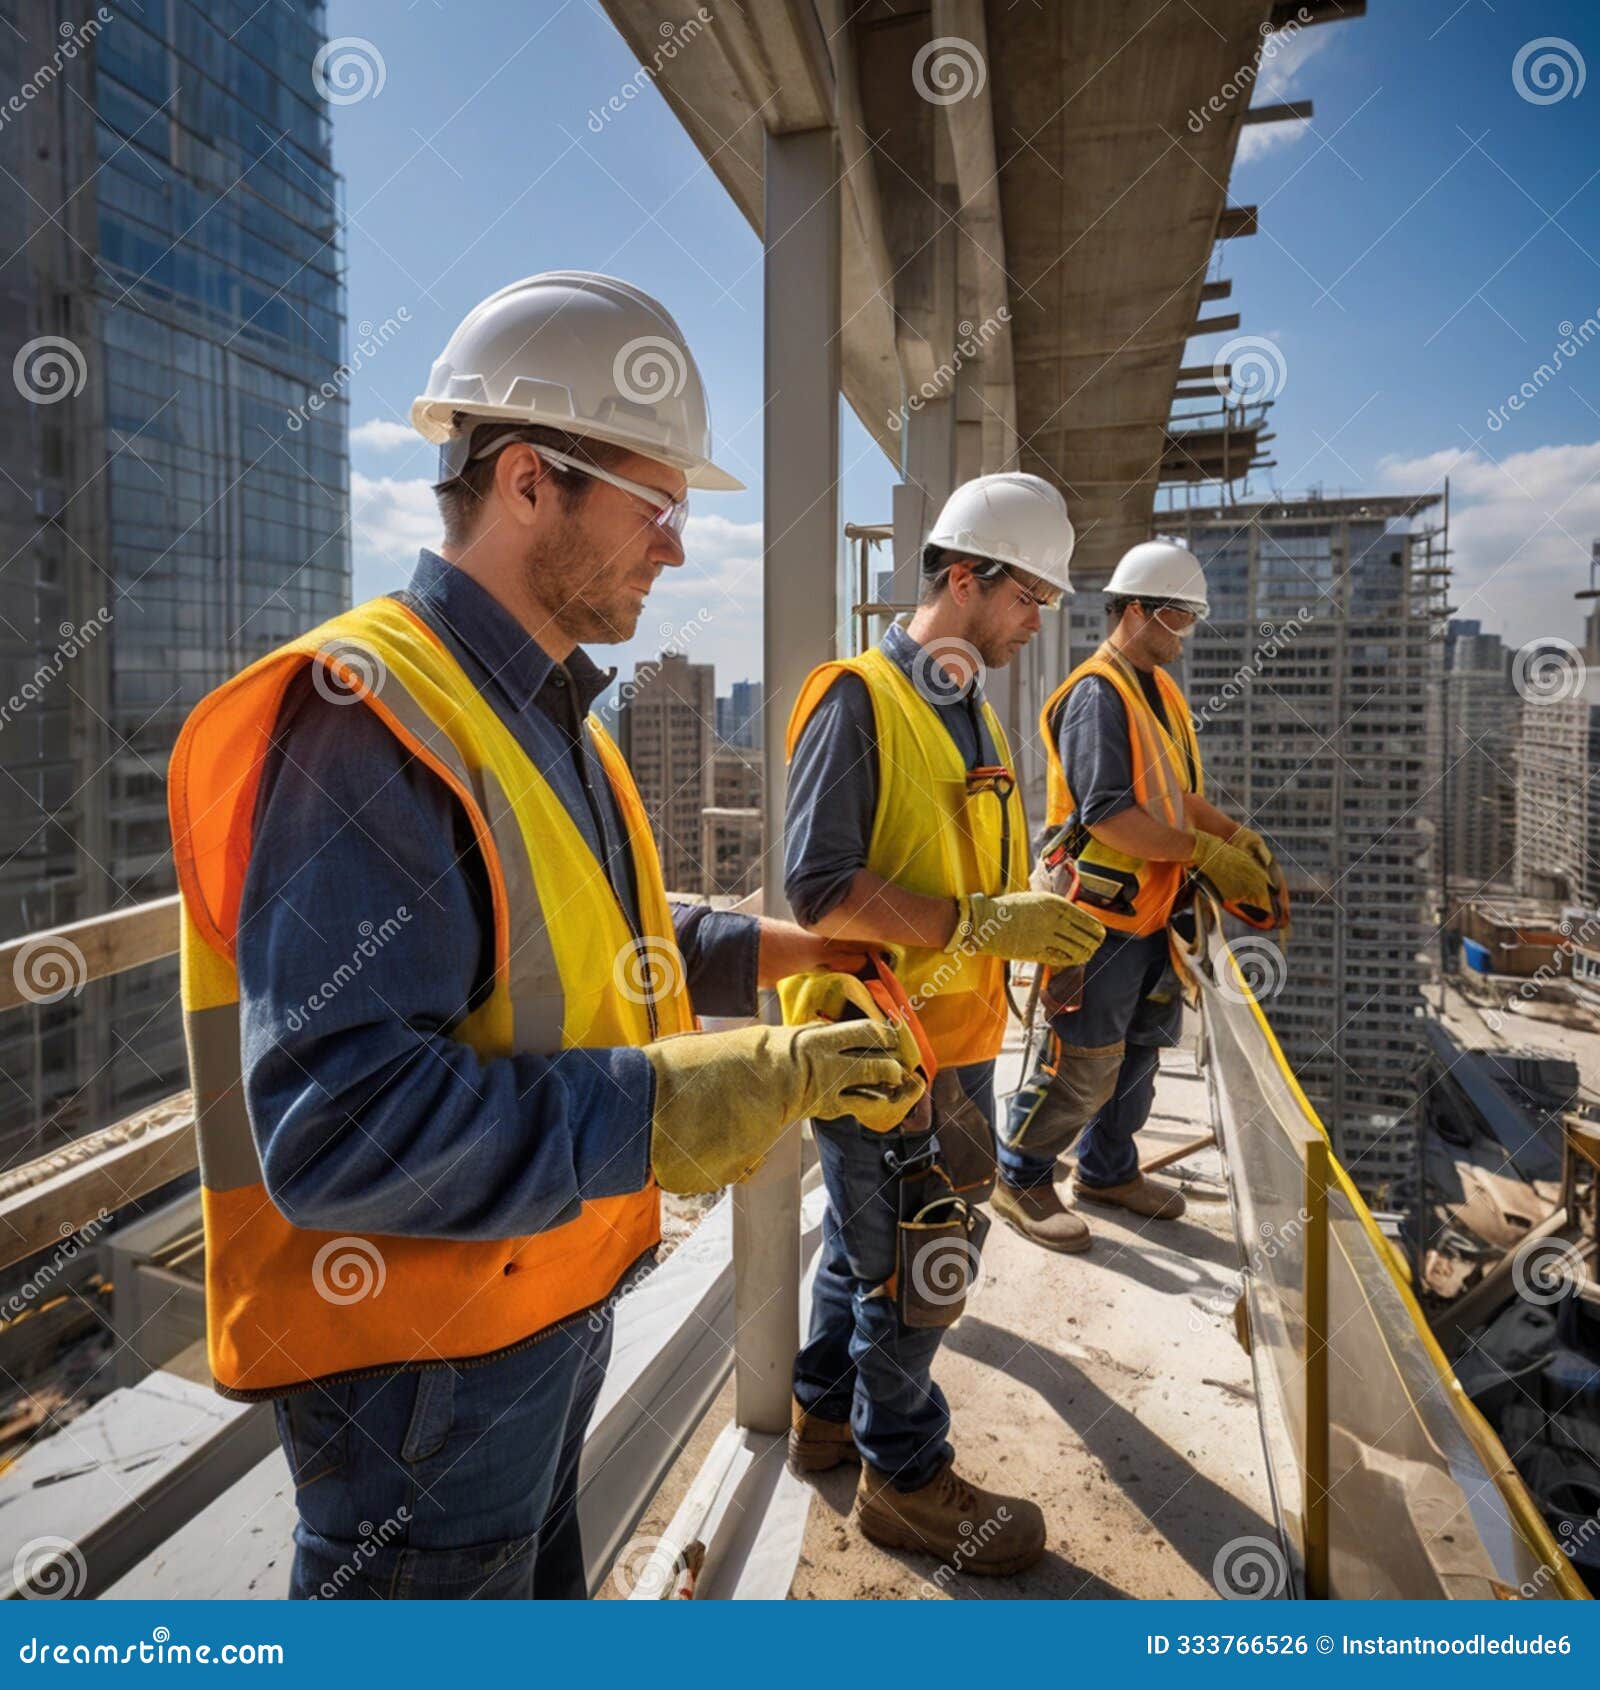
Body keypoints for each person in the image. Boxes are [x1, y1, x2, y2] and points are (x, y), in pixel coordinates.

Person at [167, 272, 925, 1600]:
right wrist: (662, 1106)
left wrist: (780, 953)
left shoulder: (539, 711)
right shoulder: (368, 721)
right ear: (527, 480)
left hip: (530, 1314)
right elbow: (338, 1129)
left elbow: (584, 937)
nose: (676, 548)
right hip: (420, 1382)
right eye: (658, 506)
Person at [781, 472, 1105, 1575]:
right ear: (964, 578)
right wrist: (980, 921)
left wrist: (1030, 912)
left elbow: (965, 873)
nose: (1037, 619)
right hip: (879, 1049)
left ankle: (825, 1417)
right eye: (1029, 596)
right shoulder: (860, 700)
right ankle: (906, 1479)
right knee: (916, 1269)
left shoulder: (968, 709)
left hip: (956, 1044)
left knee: (867, 1251)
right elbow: (819, 890)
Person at [993, 539, 1277, 1252]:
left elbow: (1175, 796)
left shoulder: (1157, 690)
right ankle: (1019, 1174)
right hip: (1098, 918)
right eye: (1179, 617)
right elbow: (1111, 816)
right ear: (1138, 612)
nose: (1186, 632)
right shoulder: (1098, 695)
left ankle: (1107, 1170)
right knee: (1083, 1061)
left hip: (1151, 912)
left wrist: (1231, 834)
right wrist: (1203, 852)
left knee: (1141, 1053)